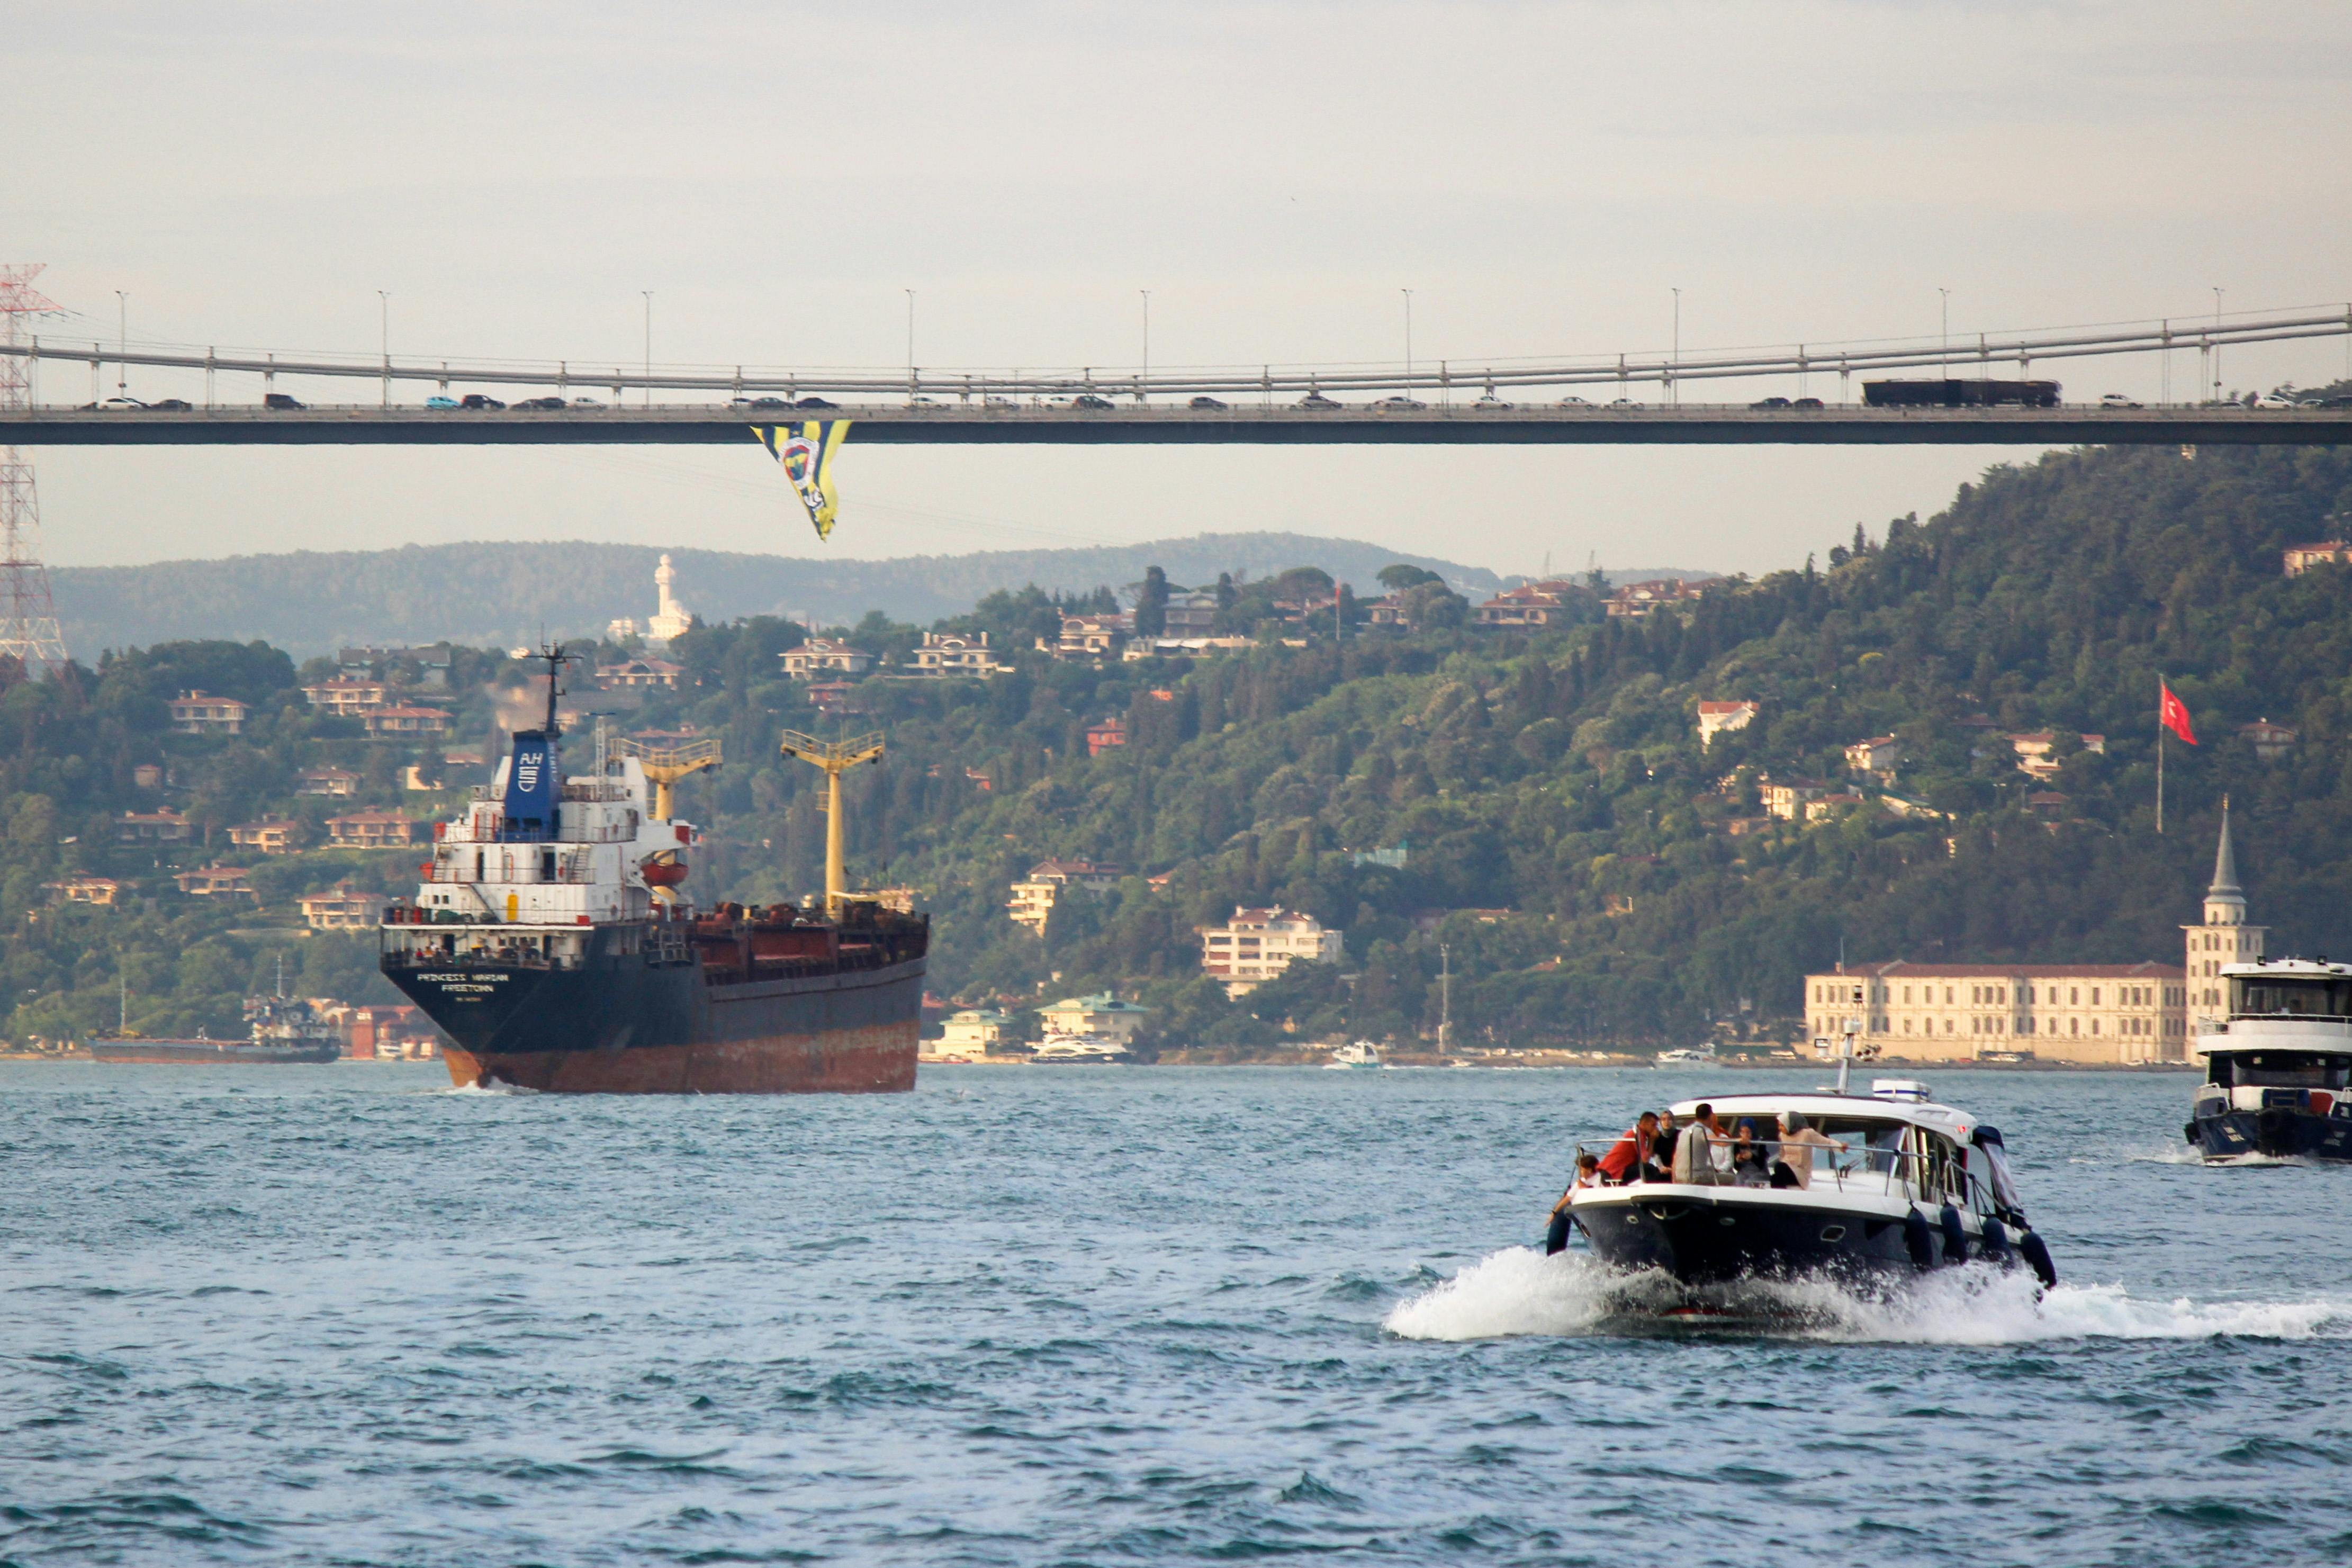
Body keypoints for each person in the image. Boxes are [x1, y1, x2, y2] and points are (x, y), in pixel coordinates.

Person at [1545, 1152, 1604, 1254]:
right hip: (1585, 1211)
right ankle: (1554, 1255)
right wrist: (1553, 1213)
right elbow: (1567, 1198)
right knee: (1562, 1211)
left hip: (1598, 1211)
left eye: (1582, 1169)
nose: (1580, 1172)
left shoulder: (1601, 1179)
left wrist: (1584, 1189)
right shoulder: (1582, 1181)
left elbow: (1601, 1195)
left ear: (1589, 1170)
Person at [1772, 1110, 1846, 1189]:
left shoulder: (1807, 1134)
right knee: (1774, 1177)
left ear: (1790, 1124)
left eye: (1782, 1125)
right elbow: (1782, 1154)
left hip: (1801, 1172)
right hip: (1786, 1169)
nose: (1780, 1128)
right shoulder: (1782, 1135)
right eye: (1779, 1126)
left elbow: (1826, 1142)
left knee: (1780, 1167)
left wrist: (1840, 1147)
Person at [1597, 1111, 1659, 1184]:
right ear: (1645, 1124)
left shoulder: (1640, 1134)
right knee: (1649, 1169)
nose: (1656, 1129)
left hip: (1617, 1170)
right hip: (1613, 1172)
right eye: (1653, 1125)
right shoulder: (1637, 1134)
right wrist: (1652, 1140)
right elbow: (1645, 1160)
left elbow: (1648, 1156)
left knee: (1651, 1169)